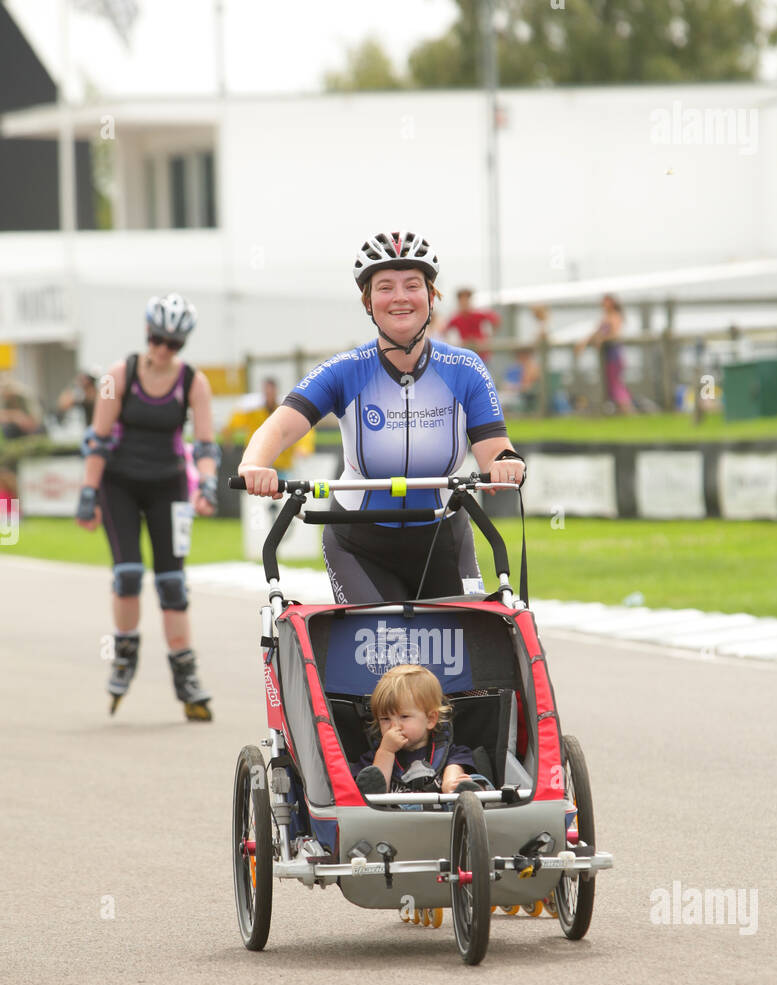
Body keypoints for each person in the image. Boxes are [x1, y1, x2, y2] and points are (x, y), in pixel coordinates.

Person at [238, 230, 525, 604]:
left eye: (412, 285)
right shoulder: (345, 370)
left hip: (444, 538)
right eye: (386, 287)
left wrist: (507, 463)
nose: (401, 297)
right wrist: (253, 465)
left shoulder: (466, 368)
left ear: (431, 296)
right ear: (368, 302)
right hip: (359, 544)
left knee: (463, 656)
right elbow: (277, 426)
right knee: (386, 657)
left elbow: (495, 450)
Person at [74, 291, 219, 719]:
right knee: (128, 574)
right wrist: (87, 491)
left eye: (173, 344)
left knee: (172, 582)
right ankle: (123, 654)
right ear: (146, 332)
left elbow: (207, 445)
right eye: (157, 338)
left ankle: (186, 674)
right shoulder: (116, 374)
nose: (162, 349)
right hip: (118, 483)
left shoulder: (195, 382)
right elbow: (97, 439)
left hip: (169, 484)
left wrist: (207, 484)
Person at [353, 664, 476, 797]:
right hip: (391, 815)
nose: (394, 726)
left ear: (430, 719)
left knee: (469, 776)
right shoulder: (372, 759)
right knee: (365, 782)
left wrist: (451, 783)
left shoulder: (450, 753)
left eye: (404, 717)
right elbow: (372, 798)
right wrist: (386, 752)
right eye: (385, 719)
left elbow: (455, 767)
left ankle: (459, 789)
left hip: (443, 814)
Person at [222, 376, 313, 472]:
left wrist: (304, 448)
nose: (269, 394)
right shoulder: (253, 410)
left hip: (282, 463)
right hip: (258, 461)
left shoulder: (286, 410)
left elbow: (303, 428)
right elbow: (232, 424)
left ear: (276, 391)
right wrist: (228, 438)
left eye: (271, 391)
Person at [575, 293, 634, 414]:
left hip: (614, 353)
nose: (603, 304)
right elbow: (596, 332)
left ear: (612, 302)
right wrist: (583, 343)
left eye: (606, 301)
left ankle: (627, 410)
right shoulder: (605, 317)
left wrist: (602, 339)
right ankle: (621, 412)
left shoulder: (615, 316)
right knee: (611, 384)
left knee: (615, 383)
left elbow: (615, 334)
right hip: (607, 354)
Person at [445, 287, 501, 361]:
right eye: (462, 300)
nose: (464, 303)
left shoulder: (478, 314)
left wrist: (488, 338)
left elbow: (496, 320)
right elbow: (444, 330)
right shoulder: (455, 318)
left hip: (481, 353)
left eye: (466, 300)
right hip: (466, 355)